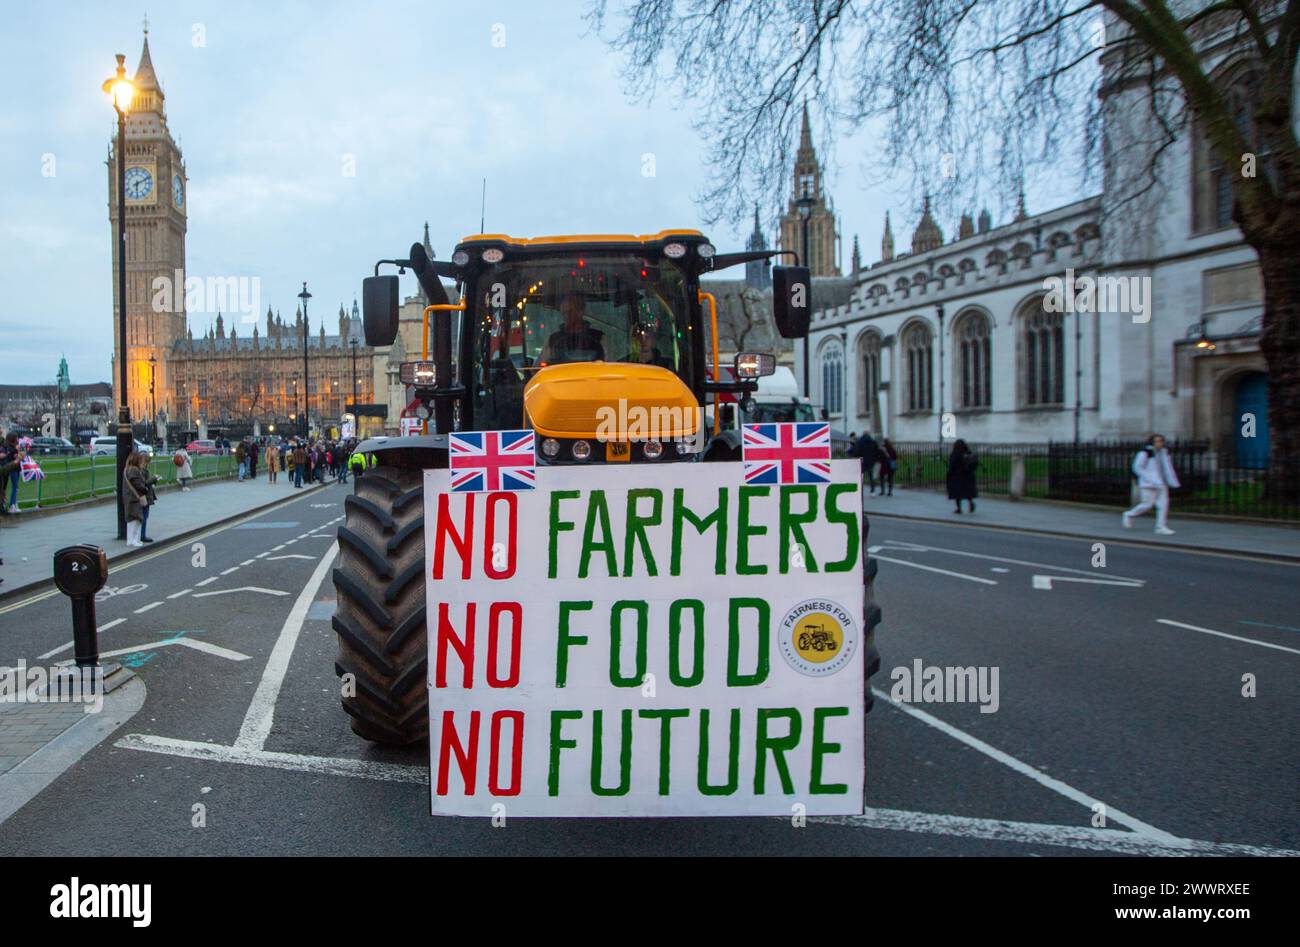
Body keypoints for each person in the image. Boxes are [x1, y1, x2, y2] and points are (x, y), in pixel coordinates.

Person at [1123, 434, 1181, 535]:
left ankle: (1160, 527)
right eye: (1157, 441)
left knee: (1163, 505)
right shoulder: (1146, 453)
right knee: (1147, 505)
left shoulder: (1164, 453)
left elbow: (1167, 468)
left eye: (1161, 441)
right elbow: (1137, 467)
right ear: (1152, 442)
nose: (1159, 443)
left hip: (1162, 483)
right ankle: (1129, 514)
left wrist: (1171, 480)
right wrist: (1149, 477)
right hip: (1149, 484)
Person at [541, 293, 605, 364]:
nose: (566, 316)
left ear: (580, 312)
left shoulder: (600, 338)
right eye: (564, 313)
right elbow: (537, 368)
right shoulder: (552, 340)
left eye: (569, 312)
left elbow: (610, 365)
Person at [123, 452, 157, 546]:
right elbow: (140, 485)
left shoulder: (127, 469)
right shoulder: (134, 470)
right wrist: (147, 487)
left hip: (130, 497)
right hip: (135, 498)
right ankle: (135, 539)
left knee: (132, 520)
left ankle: (131, 540)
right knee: (137, 519)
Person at [947, 439, 979, 514]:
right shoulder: (968, 453)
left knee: (957, 494)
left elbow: (952, 465)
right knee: (967, 492)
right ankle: (971, 502)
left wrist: (949, 473)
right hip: (968, 476)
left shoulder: (955, 454)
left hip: (957, 476)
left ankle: (959, 508)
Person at [1, 432, 21, 514]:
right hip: (11, 468)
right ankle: (12, 504)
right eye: (16, 438)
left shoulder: (14, 446)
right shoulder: (8, 447)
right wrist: (16, 451)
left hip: (16, 468)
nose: (17, 439)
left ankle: (14, 503)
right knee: (14, 486)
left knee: (16, 487)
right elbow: (9, 456)